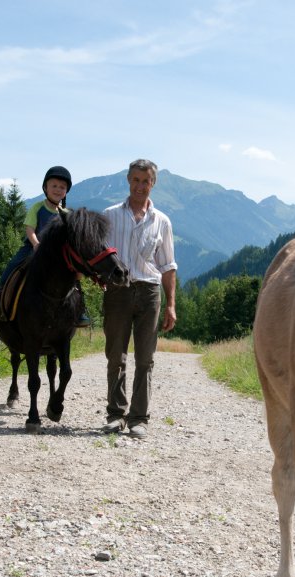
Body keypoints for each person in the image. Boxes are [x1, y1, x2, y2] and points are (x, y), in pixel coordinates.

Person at [100, 159, 177, 439]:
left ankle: (138, 419)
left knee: (145, 358)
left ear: (153, 184)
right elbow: (99, 256)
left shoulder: (162, 221)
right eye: (135, 180)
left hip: (149, 292)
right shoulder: (110, 215)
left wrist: (170, 305)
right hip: (117, 291)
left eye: (146, 181)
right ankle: (115, 414)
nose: (140, 186)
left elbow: (168, 265)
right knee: (115, 356)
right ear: (128, 180)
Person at [0, 165, 89, 326]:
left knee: (76, 275)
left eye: (62, 187)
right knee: (14, 264)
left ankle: (80, 310)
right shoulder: (38, 208)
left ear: (66, 191)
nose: (58, 189)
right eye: (54, 185)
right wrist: (36, 244)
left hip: (59, 255)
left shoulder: (67, 214)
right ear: (45, 187)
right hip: (34, 248)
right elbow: (30, 229)